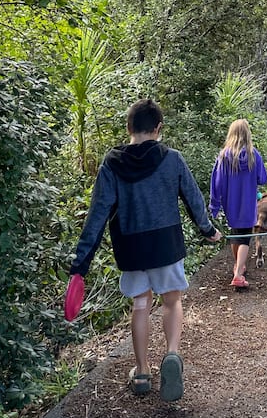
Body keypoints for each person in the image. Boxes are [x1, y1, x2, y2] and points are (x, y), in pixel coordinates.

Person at [69, 98, 221, 399]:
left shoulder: (112, 163)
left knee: (140, 305)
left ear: (129, 127)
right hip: (166, 245)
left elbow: (97, 214)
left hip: (131, 248)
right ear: (158, 128)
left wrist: (80, 264)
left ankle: (141, 372)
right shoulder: (172, 158)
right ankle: (172, 355)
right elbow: (193, 199)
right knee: (171, 302)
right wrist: (208, 231)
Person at [209, 118, 267, 288]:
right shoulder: (253, 155)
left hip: (230, 203)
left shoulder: (224, 155)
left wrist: (215, 205)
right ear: (247, 135)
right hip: (248, 203)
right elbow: (262, 179)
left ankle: (238, 266)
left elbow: (216, 183)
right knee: (244, 238)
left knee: (236, 234)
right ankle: (238, 274)